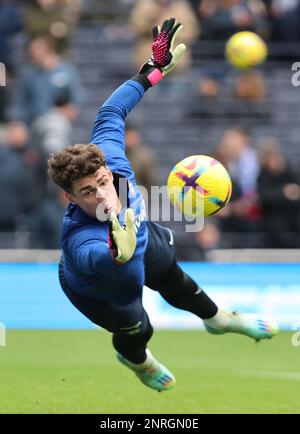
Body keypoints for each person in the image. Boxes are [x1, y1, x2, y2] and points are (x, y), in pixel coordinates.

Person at [48, 18, 278, 393]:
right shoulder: (79, 236)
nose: (103, 194)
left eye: (103, 182)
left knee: (175, 279)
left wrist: (153, 71)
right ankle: (138, 362)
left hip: (140, 239)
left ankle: (219, 320)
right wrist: (115, 256)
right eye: (88, 192)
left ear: (108, 169)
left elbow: (111, 113)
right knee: (137, 329)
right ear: (71, 198)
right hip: (101, 288)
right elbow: (91, 257)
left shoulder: (113, 161)